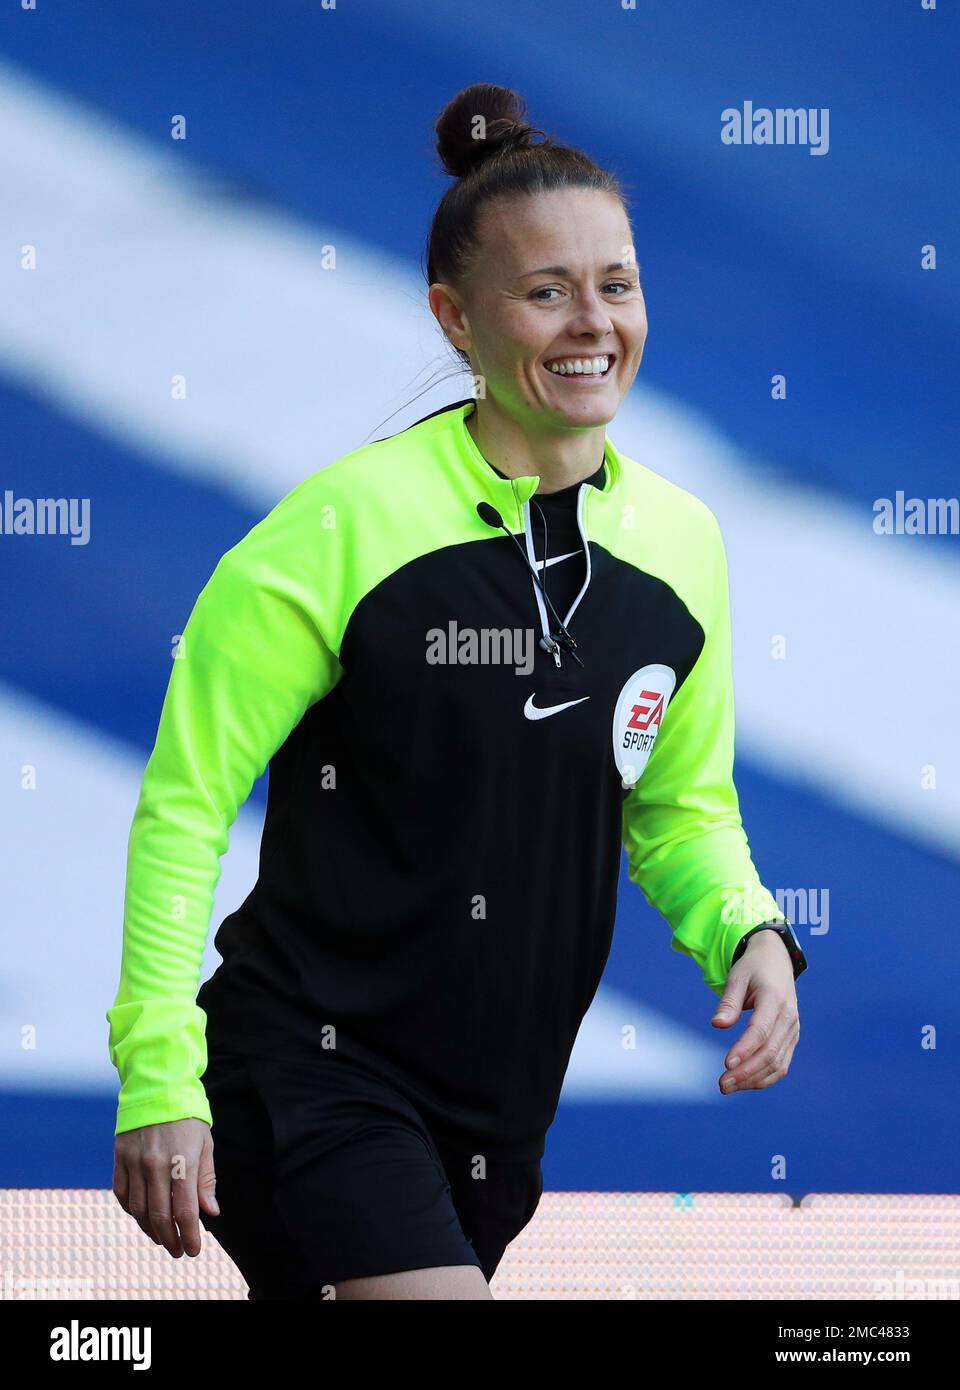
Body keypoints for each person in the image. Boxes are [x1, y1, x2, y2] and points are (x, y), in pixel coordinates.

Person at [108, 82, 806, 1302]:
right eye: (546, 292)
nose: (593, 322)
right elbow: (186, 802)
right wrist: (160, 1075)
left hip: (499, 1119)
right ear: (456, 317)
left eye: (617, 283)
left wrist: (750, 930)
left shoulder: (684, 547)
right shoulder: (338, 530)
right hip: (311, 1071)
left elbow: (681, 806)